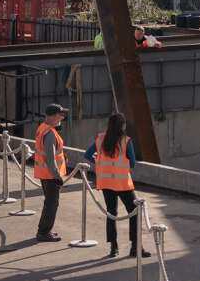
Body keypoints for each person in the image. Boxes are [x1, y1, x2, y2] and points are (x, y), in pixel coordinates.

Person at [84, 111, 149, 259]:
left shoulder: (101, 139)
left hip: (106, 182)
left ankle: (114, 248)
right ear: (122, 126)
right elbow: (132, 163)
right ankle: (135, 247)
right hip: (122, 183)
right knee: (134, 212)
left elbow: (87, 154)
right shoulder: (126, 141)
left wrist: (98, 163)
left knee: (111, 213)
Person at [33, 103, 71, 242]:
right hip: (50, 175)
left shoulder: (43, 128)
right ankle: (43, 232)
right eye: (60, 114)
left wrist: (62, 155)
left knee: (49, 203)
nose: (62, 117)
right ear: (54, 116)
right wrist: (57, 176)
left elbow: (51, 152)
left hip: (44, 173)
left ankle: (44, 230)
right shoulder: (49, 133)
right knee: (51, 204)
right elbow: (50, 158)